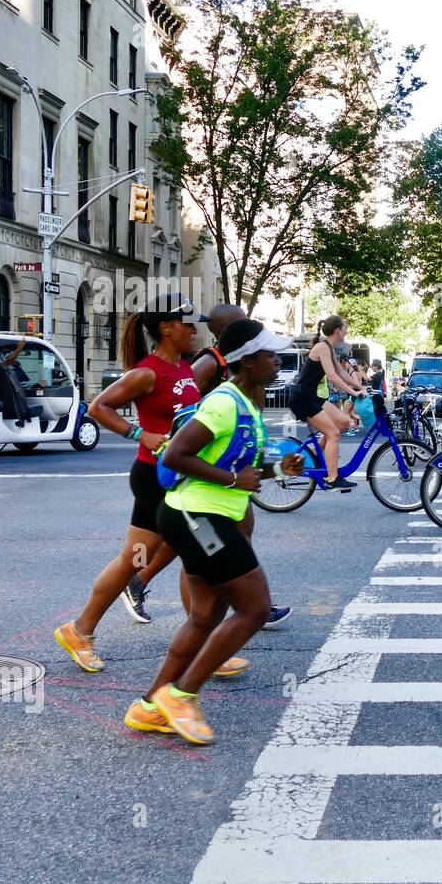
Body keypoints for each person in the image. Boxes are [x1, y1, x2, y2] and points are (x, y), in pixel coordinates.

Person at [126, 319, 305, 744]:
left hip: (204, 516)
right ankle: (182, 695)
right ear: (246, 360)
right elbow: (176, 455)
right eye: (269, 353)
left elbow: (239, 468)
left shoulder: (247, 404)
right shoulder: (224, 403)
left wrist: (278, 470)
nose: (276, 358)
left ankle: (150, 706)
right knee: (255, 608)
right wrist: (230, 482)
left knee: (206, 614)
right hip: (197, 517)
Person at [54, 303, 221, 674]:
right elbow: (99, 407)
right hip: (154, 478)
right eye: (186, 324)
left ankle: (80, 630)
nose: (193, 331)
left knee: (139, 558)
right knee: (195, 550)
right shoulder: (148, 372)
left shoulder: (183, 367)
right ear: (166, 328)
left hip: (174, 477)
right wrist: (140, 433)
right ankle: (203, 643)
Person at [123, 302, 291, 632]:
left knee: (209, 538)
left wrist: (275, 465)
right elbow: (186, 405)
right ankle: (247, 602)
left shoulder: (246, 369)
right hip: (202, 471)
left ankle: (240, 600)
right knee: (203, 540)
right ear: (226, 331)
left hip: (224, 468)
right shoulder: (211, 364)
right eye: (242, 324)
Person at [287, 315, 366, 491]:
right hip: (302, 399)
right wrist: (353, 392)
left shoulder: (329, 348)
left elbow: (342, 373)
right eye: (345, 327)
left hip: (310, 396)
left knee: (344, 422)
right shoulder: (322, 347)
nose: (346, 331)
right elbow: (332, 376)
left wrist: (361, 387)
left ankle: (314, 454)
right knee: (333, 434)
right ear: (337, 330)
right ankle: (332, 478)